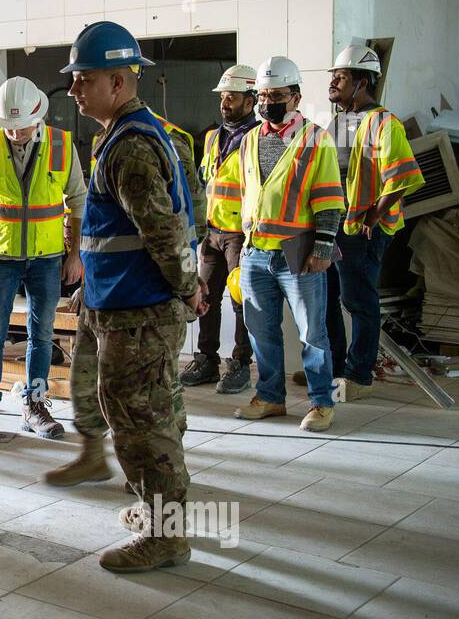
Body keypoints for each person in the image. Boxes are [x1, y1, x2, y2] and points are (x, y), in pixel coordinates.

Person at [43, 22, 202, 573]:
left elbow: (165, 231)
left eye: (83, 80)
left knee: (140, 426)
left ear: (118, 80)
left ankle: (166, 535)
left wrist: (189, 286)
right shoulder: (133, 135)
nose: (74, 91)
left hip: (139, 313)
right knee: (154, 414)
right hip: (122, 305)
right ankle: (163, 517)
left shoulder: (131, 147)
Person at [292, 45, 424, 400]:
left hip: (363, 232)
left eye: (342, 77)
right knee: (329, 298)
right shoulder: (339, 122)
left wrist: (374, 214)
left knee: (359, 301)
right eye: (333, 76)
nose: (333, 83)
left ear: (363, 82)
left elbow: (404, 176)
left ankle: (359, 373)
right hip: (335, 227)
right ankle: (333, 369)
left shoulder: (384, 122)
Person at [0, 76, 86, 442]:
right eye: (9, 128)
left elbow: (77, 199)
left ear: (38, 116)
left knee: (42, 335)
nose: (14, 134)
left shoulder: (62, 145)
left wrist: (75, 254)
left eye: (21, 127)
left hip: (47, 258)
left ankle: (34, 404)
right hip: (0, 257)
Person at [235, 56, 345, 432]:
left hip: (297, 255)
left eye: (276, 94)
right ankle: (270, 397)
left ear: (295, 97)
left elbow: (330, 200)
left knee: (312, 333)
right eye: (263, 95)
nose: (268, 102)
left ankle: (321, 403)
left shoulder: (316, 138)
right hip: (255, 253)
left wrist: (323, 250)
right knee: (261, 332)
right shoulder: (250, 138)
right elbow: (245, 196)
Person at [181, 64, 258, 395]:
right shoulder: (213, 137)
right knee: (205, 296)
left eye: (233, 97)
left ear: (250, 101)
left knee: (242, 301)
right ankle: (207, 359)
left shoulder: (258, 137)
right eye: (223, 97)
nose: (225, 103)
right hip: (211, 231)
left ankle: (240, 362)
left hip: (241, 233)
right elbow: (203, 182)